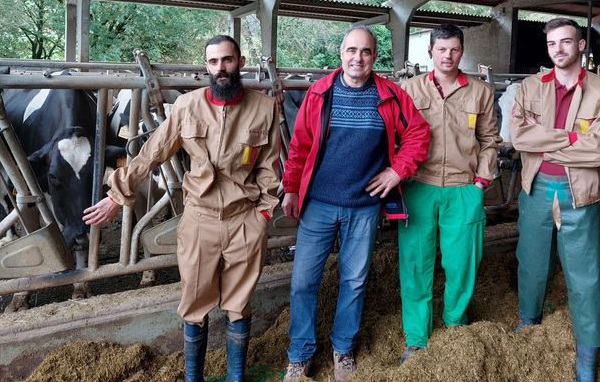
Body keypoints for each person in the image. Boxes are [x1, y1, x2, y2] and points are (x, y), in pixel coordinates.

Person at [82, 35, 280, 382]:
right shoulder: (187, 106)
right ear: (206, 66)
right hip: (199, 220)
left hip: (244, 221)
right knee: (194, 305)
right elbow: (152, 153)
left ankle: (236, 377)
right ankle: (194, 378)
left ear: (241, 62)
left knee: (238, 305)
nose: (221, 68)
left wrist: (263, 216)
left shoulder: (264, 107)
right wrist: (116, 194)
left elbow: (269, 168)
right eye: (214, 62)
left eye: (228, 60)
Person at [280, 25, 430, 382]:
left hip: (364, 206)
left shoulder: (391, 95)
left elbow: (419, 134)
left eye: (365, 52)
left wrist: (396, 172)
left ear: (374, 57)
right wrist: (290, 188)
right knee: (303, 281)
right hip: (318, 203)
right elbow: (300, 145)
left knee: (355, 280)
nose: (357, 58)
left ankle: (343, 349)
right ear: (341, 54)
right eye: (351, 51)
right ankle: (299, 355)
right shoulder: (320, 93)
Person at [510, 18, 600, 382]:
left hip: (579, 193)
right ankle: (529, 322)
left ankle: (587, 355)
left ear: (582, 45)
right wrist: (571, 140)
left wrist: (547, 143)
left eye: (566, 42)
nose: (558, 49)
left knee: (585, 274)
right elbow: (519, 138)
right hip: (537, 187)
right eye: (552, 44)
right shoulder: (529, 87)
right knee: (530, 262)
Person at [398, 23, 500, 363]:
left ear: (462, 52)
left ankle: (455, 325)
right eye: (441, 49)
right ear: (430, 52)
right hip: (419, 187)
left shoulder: (480, 91)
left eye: (454, 49)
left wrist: (481, 182)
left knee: (462, 264)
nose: (448, 55)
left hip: (462, 189)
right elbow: (396, 137)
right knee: (415, 264)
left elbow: (489, 140)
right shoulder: (409, 90)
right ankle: (416, 338)